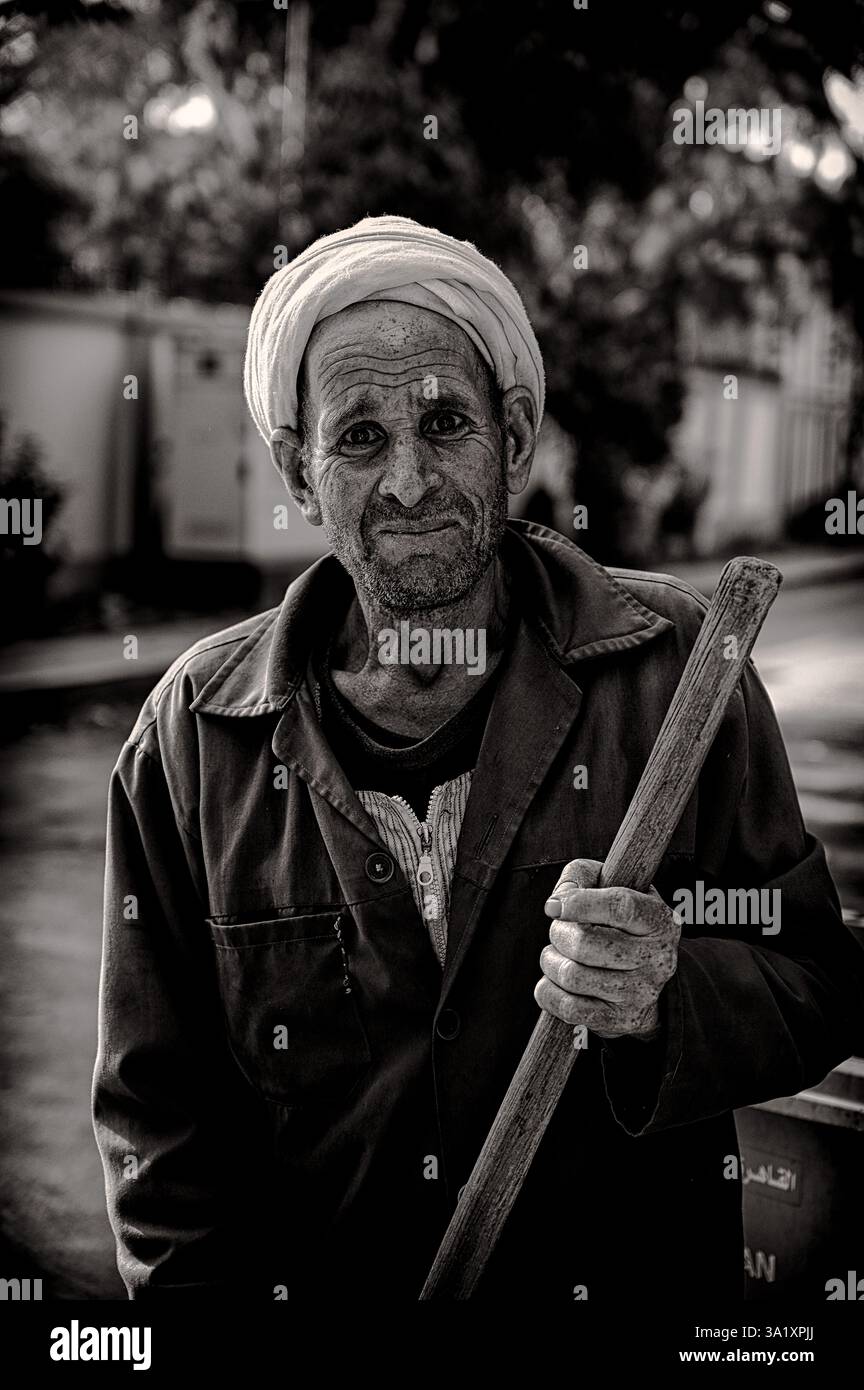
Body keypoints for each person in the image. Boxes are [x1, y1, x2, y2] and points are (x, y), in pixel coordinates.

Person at [93, 215, 864, 1302]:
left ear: (510, 442)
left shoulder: (680, 671)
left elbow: (820, 982)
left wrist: (662, 996)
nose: (408, 480)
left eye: (445, 422)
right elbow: (158, 1133)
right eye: (358, 437)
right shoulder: (188, 741)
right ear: (300, 474)